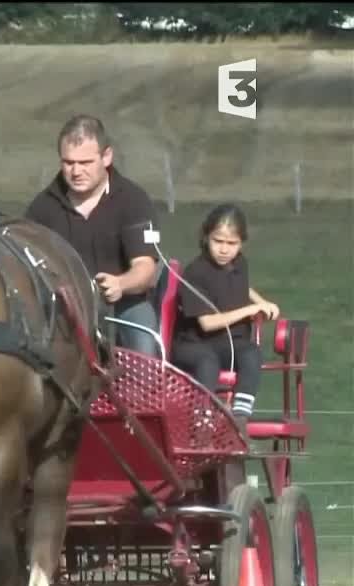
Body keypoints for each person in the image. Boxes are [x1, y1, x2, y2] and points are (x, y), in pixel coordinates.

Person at [25, 114, 162, 357]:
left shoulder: (133, 201)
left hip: (125, 304)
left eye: (85, 162)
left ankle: (143, 391)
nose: (76, 171)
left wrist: (120, 284)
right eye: (68, 162)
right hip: (63, 310)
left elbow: (146, 270)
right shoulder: (41, 209)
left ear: (106, 156)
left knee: (144, 341)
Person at [171, 204, 279, 422]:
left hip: (228, 343)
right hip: (194, 344)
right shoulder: (196, 272)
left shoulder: (239, 263)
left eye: (232, 243)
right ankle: (203, 418)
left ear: (241, 243)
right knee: (207, 361)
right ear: (206, 238)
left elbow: (241, 287)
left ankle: (240, 414)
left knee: (251, 353)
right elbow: (208, 323)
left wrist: (262, 302)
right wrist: (251, 309)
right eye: (218, 241)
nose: (224, 249)